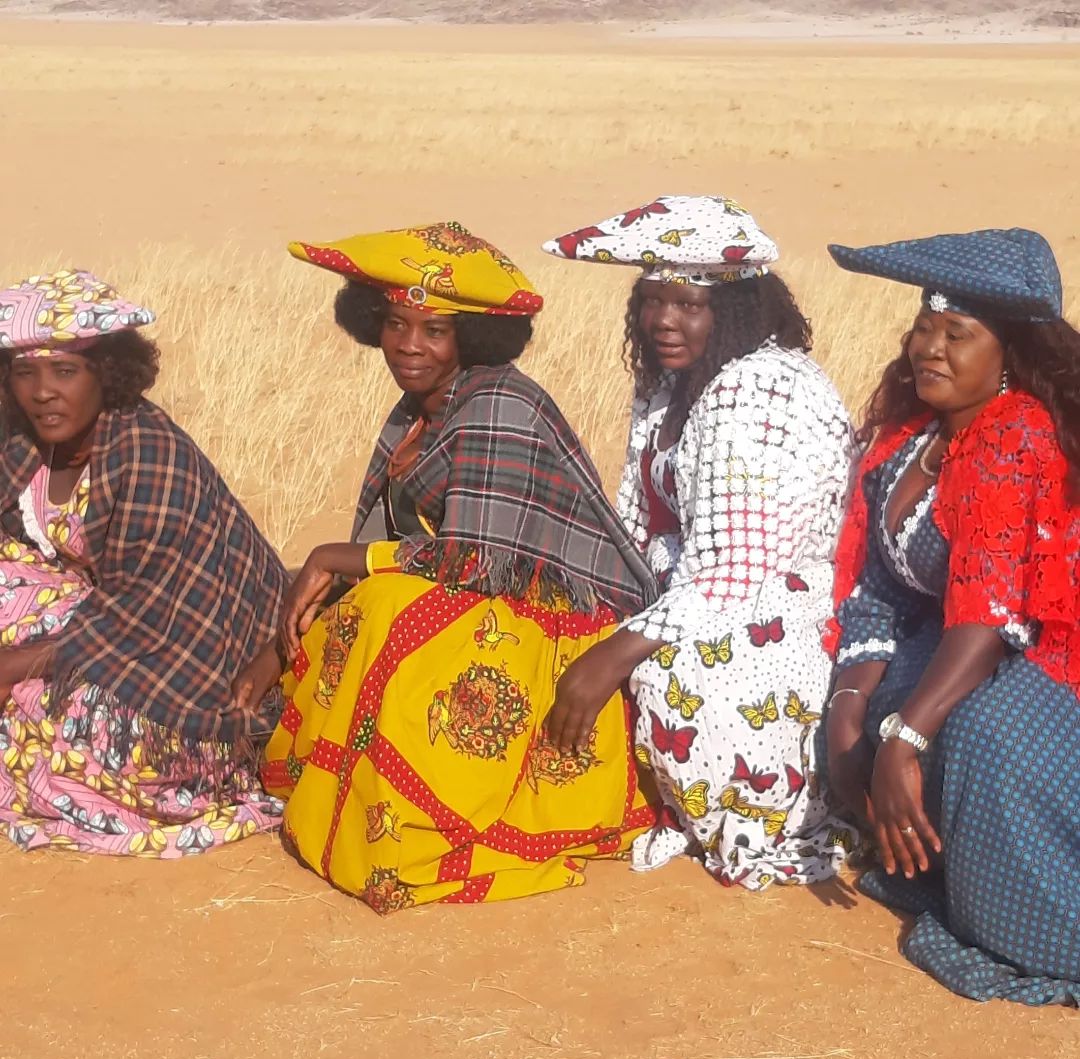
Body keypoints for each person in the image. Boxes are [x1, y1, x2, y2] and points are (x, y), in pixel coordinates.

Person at [238, 221, 658, 912]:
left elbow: (476, 561)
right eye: (397, 324)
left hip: (578, 628)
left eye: (434, 330)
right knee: (371, 603)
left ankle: (414, 824)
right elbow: (388, 543)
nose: (409, 345)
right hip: (496, 595)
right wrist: (278, 651)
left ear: (470, 338)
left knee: (391, 612)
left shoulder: (498, 402)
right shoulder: (415, 411)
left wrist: (337, 559)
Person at [540, 195, 856, 888]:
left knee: (673, 671)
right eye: (652, 300)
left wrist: (614, 654)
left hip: (774, 612)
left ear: (736, 310)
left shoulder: (759, 391)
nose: (662, 320)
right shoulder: (675, 381)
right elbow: (633, 518)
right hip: (690, 588)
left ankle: (753, 817)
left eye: (688, 304)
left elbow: (732, 577)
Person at [825, 228, 1080, 1005]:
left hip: (1048, 651)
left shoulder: (1012, 435)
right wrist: (849, 706)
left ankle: (1041, 926)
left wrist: (903, 739)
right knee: (875, 708)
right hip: (979, 635)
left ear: (1008, 354)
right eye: (924, 328)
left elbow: (991, 611)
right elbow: (880, 591)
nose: (929, 348)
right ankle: (957, 867)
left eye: (957, 334)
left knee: (980, 739)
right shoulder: (912, 437)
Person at [0, 269, 288, 856]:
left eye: (65, 370)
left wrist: (11, 667)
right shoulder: (26, 439)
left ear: (106, 373)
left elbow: (140, 610)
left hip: (188, 650)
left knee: (78, 744)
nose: (43, 391)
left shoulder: (150, 455)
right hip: (95, 606)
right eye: (25, 372)